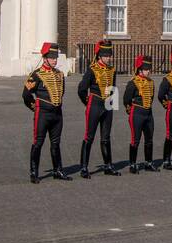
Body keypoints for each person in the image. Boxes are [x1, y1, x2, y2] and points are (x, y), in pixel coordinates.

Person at [22, 43, 71, 183]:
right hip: (42, 114)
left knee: (56, 143)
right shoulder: (36, 75)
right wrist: (35, 107)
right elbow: (26, 95)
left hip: (57, 114)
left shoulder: (59, 74)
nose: (54, 60)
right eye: (51, 57)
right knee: (38, 142)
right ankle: (33, 172)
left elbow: (62, 92)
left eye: (55, 57)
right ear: (45, 58)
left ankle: (58, 170)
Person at [77, 41, 120, 178]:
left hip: (108, 104)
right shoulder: (92, 70)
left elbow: (112, 88)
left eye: (109, 55)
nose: (108, 58)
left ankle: (108, 165)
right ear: (99, 56)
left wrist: (112, 106)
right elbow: (82, 89)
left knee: (106, 137)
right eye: (105, 55)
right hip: (94, 104)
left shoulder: (112, 70)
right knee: (89, 136)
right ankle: (84, 167)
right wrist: (87, 102)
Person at [122, 54, 157, 174]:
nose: (148, 71)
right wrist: (130, 109)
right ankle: (132, 164)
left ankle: (148, 162)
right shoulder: (133, 82)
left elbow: (151, 97)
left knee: (149, 139)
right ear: (140, 69)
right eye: (146, 69)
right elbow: (126, 99)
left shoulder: (151, 82)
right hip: (137, 113)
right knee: (135, 140)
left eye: (149, 69)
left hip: (148, 113)